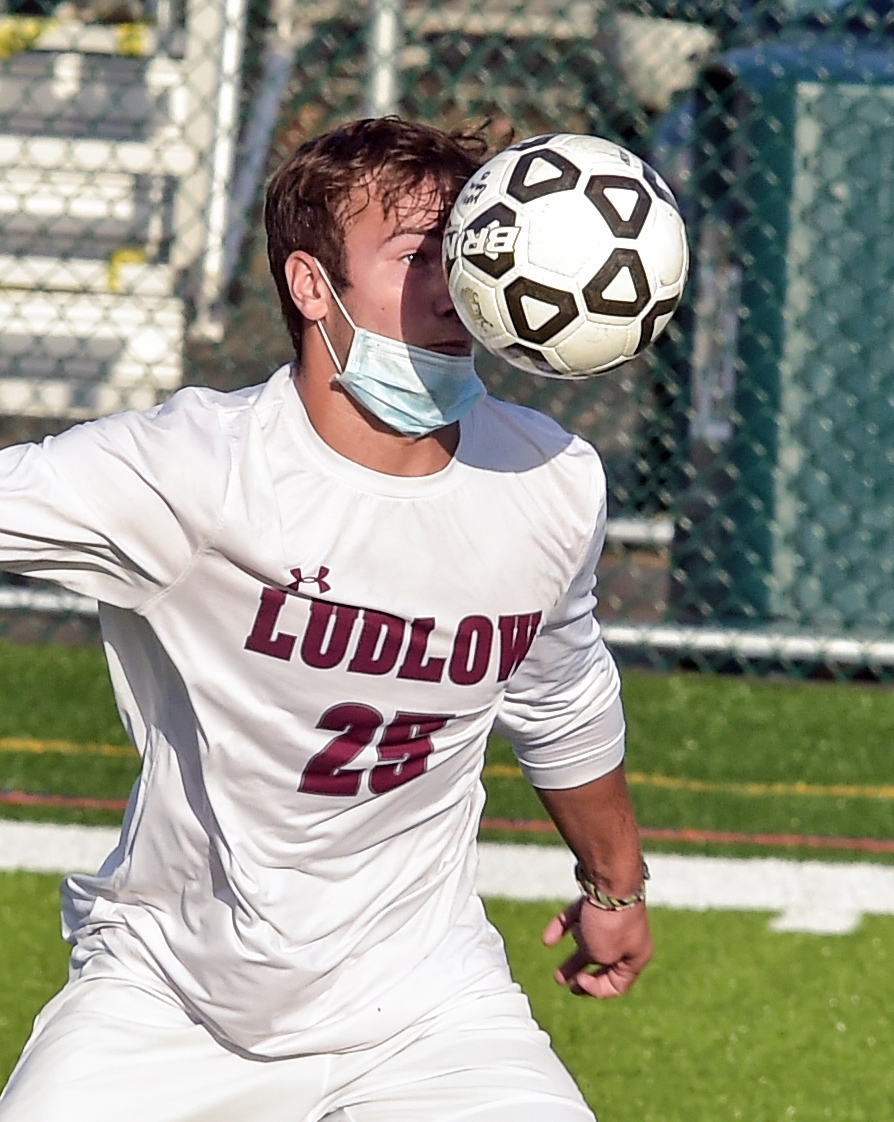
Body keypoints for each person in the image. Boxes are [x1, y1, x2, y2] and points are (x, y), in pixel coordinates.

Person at [0, 117, 652, 1121]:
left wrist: (615, 890)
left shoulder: (549, 480)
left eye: (473, 249)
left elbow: (560, 696)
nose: (456, 285)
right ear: (313, 287)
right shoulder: (192, 471)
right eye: (417, 257)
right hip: (173, 1002)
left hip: (424, 1009)